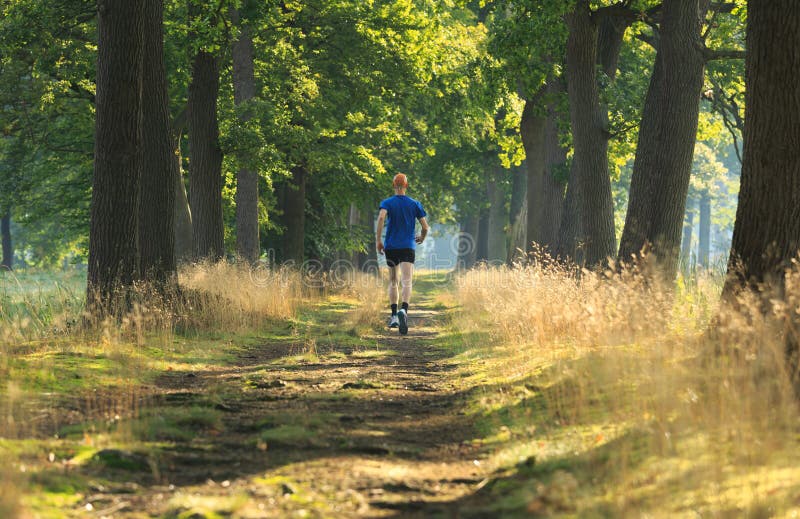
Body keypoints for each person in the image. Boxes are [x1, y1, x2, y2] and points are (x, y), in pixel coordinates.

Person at [375, 173, 428, 335]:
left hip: (391, 246)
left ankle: (393, 317)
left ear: (393, 185)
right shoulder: (414, 204)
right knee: (407, 281)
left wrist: (378, 240)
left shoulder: (387, 203)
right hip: (407, 247)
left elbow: (381, 218)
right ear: (406, 186)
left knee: (393, 281)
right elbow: (425, 227)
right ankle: (404, 310)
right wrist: (422, 237)